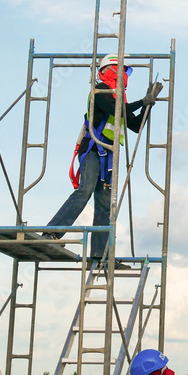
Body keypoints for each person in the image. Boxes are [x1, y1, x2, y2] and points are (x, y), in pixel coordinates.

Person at [44, 53, 162, 259]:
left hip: (108, 156)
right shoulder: (100, 91)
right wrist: (142, 101)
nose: (124, 75)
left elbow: (135, 125)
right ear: (111, 70)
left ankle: (100, 254)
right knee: (85, 191)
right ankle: (52, 232)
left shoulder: (118, 98)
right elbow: (119, 111)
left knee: (105, 203)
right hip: (93, 151)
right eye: (122, 71)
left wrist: (148, 104)